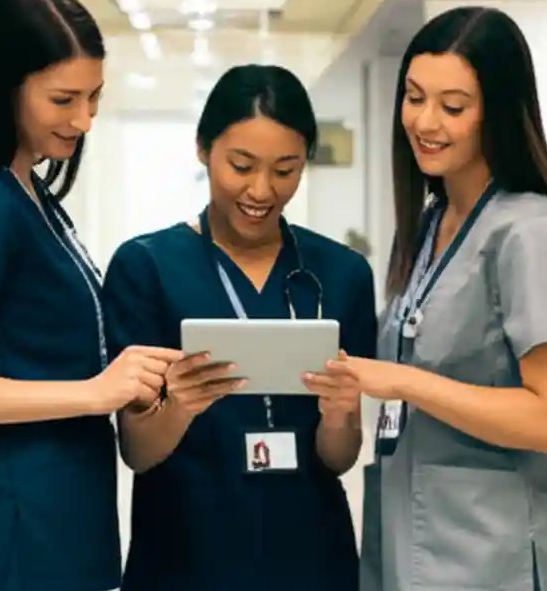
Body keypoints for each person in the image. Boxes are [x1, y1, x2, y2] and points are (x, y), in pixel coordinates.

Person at [0, 0, 182, 591]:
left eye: (95, 97)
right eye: (63, 99)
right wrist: (93, 392)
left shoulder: (33, 198)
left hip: (55, 534)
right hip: (5, 542)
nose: (83, 119)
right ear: (8, 87)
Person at [336, 7, 547, 591]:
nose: (425, 122)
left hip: (497, 559)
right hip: (419, 549)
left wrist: (403, 382)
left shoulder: (534, 234)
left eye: (453, 107)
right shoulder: (432, 225)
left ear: (499, 113)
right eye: (413, 97)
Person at [100, 63, 378, 591]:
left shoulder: (341, 274)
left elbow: (338, 458)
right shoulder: (146, 268)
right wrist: (178, 405)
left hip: (310, 556)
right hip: (186, 553)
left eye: (286, 169)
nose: (261, 189)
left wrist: (340, 414)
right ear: (203, 148)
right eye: (241, 165)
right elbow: (137, 452)